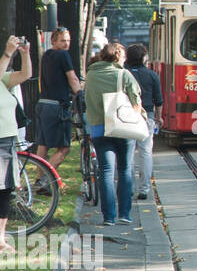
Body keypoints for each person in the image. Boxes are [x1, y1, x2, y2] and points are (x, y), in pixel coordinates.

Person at [84, 42, 143, 227]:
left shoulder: (91, 75)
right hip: (122, 128)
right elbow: (136, 101)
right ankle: (124, 214)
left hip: (99, 129)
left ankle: (108, 217)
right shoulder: (123, 74)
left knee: (106, 172)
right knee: (125, 169)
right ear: (118, 56)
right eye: (123, 56)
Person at [32, 27, 82, 173]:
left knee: (43, 145)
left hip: (43, 104)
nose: (66, 44)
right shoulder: (63, 55)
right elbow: (72, 78)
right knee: (64, 148)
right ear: (54, 41)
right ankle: (45, 179)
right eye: (63, 41)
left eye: (68, 41)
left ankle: (39, 179)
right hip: (57, 107)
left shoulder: (46, 55)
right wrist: (80, 93)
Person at [0, 36, 33, 252]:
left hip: (7, 139)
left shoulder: (3, 80)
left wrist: (25, 53)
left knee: (5, 191)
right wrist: (7, 53)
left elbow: (25, 75)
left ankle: (0, 239)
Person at [125, 44, 162, 202]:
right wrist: (159, 117)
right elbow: (158, 100)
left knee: (129, 153)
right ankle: (144, 188)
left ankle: (129, 187)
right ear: (143, 58)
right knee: (146, 152)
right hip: (147, 115)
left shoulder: (123, 74)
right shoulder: (151, 75)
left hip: (127, 116)